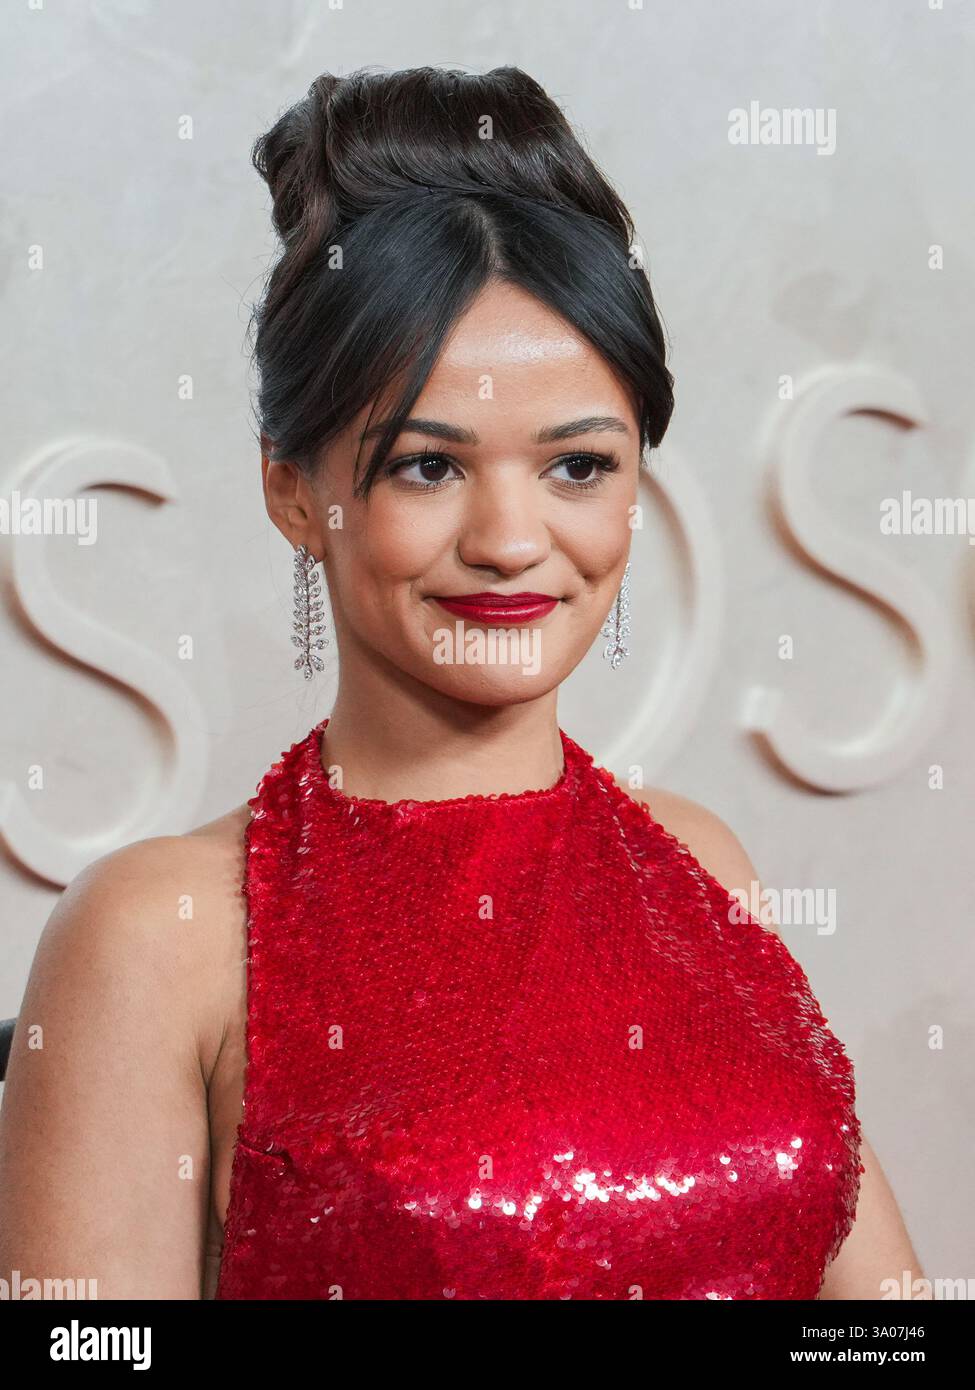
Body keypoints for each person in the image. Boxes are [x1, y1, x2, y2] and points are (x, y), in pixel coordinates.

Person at [0, 65, 923, 1300]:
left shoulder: (703, 864)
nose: (509, 538)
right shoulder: (154, 936)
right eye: (429, 468)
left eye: (578, 468)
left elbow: (885, 1321)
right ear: (293, 489)